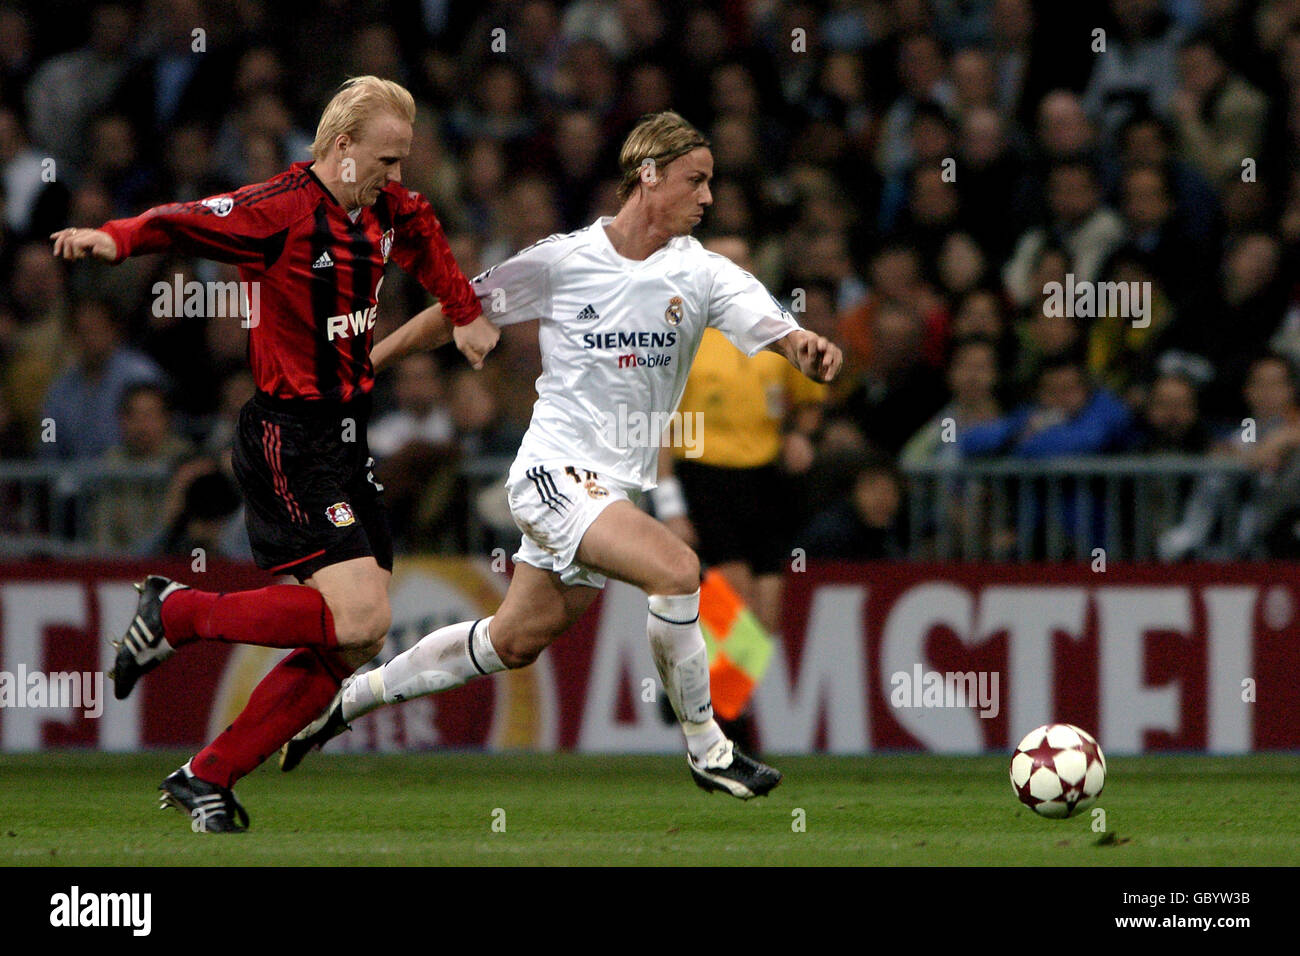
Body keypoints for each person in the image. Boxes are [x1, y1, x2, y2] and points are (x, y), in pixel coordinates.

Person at [281, 111, 842, 799]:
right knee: (679, 571)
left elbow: (777, 326)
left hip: (612, 492)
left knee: (510, 643)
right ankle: (708, 747)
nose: (708, 197)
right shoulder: (564, 260)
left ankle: (347, 700)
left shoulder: (703, 274)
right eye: (696, 181)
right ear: (649, 175)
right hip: (552, 476)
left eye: (711, 183)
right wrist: (369, 362)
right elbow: (459, 309)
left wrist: (803, 347)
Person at [50, 76, 499, 832]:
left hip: (347, 439)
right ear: (342, 145)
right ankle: (177, 611)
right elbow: (186, 222)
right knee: (357, 618)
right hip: (290, 438)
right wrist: (118, 237)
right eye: (385, 159)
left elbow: (426, 239)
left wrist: (463, 313)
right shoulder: (281, 210)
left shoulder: (391, 208)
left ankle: (207, 776)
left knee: (351, 640)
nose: (396, 176)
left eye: (402, 162)